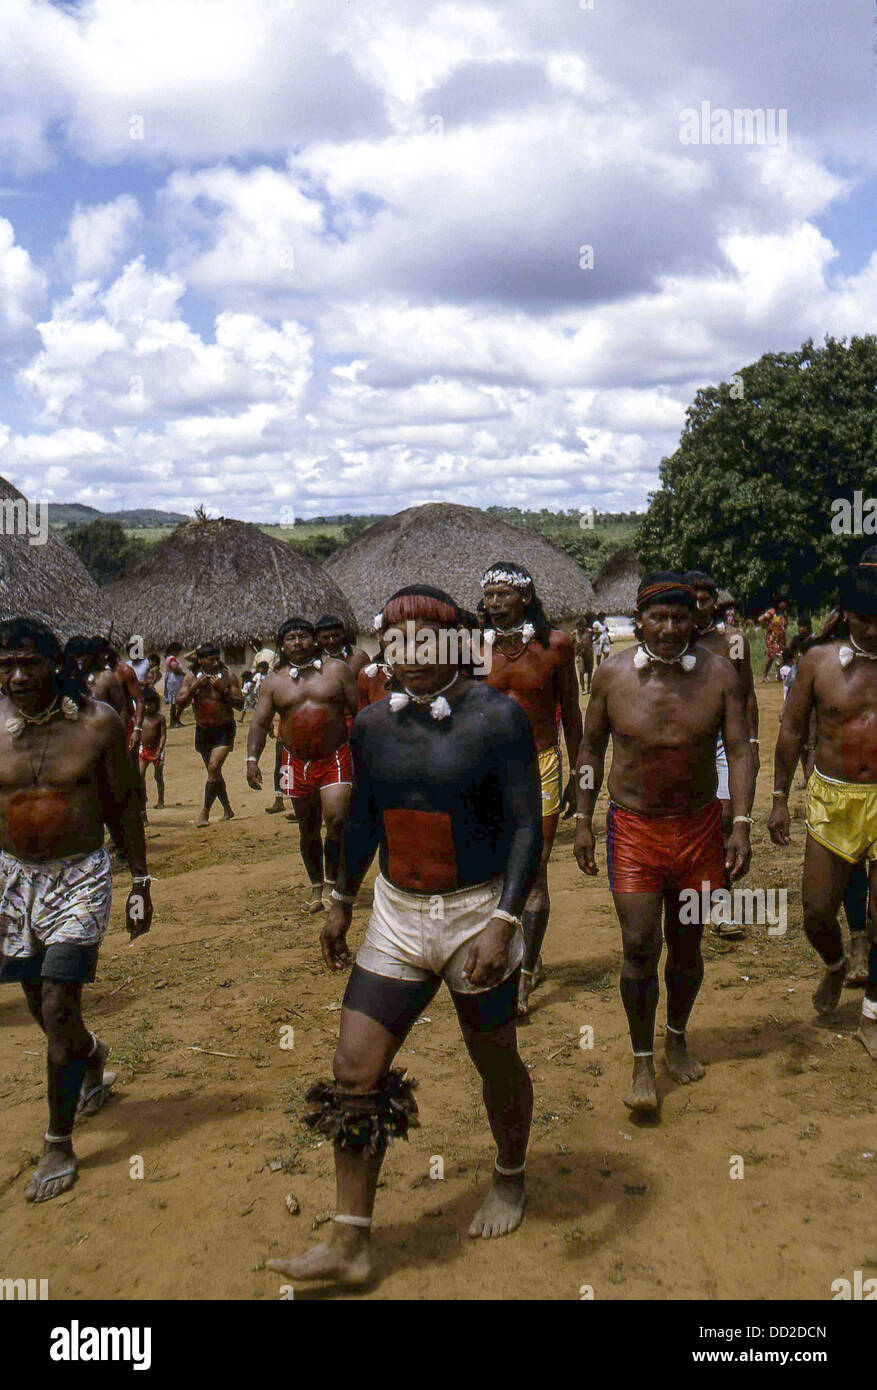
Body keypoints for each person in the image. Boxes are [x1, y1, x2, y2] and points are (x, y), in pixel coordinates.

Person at [266, 586, 542, 1287]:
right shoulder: (370, 726)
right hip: (396, 914)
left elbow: (524, 828)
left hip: (476, 914)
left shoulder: (497, 717)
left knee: (495, 1059)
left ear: (455, 644)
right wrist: (340, 900)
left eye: (425, 640)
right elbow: (362, 819)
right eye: (395, 642)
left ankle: (509, 1175)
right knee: (353, 1074)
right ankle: (350, 1240)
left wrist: (504, 922)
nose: (409, 655)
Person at [574, 573, 755, 1113]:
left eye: (681, 618)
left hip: (699, 827)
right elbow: (589, 750)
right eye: (659, 618)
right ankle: (642, 1059)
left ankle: (676, 1034)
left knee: (688, 943)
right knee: (638, 946)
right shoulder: (611, 676)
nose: (671, 628)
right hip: (633, 829)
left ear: (695, 620)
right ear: (639, 619)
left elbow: (741, 750)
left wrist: (741, 821)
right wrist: (583, 817)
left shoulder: (719, 675)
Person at [0, 617, 152, 1203]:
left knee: (61, 998)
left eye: (28, 662)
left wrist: (140, 879)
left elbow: (125, 804)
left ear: (54, 662)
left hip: (79, 878)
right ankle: (91, 1056)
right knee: (41, 1005)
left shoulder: (96, 723)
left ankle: (58, 1139)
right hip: (12, 880)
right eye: (5, 664)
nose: (17, 675)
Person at [768, 550, 877, 1060]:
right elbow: (790, 731)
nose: (875, 631)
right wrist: (777, 799)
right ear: (847, 616)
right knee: (815, 912)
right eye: (867, 620)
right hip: (833, 798)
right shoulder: (818, 662)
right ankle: (835, 964)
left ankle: (872, 1013)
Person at [481, 561, 581, 1015]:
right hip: (487, 769)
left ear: (526, 597)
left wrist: (582, 771)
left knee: (534, 869)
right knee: (491, 868)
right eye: (490, 594)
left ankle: (525, 972)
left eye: (505, 593)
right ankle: (501, 950)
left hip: (540, 764)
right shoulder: (472, 650)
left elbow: (572, 712)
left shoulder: (555, 645)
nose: (496, 601)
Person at [247, 619, 358, 911]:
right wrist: (251, 759)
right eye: (291, 638)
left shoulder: (337, 671)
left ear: (315, 640)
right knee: (306, 826)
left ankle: (334, 884)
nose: (298, 643)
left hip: (335, 756)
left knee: (335, 819)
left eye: (304, 637)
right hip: (292, 762)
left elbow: (360, 712)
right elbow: (259, 723)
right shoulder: (273, 682)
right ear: (282, 645)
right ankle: (316, 887)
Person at [685, 570, 759, 940]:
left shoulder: (733, 641)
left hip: (724, 740)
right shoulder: (675, 639)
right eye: (692, 598)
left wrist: (753, 743)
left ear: (716, 601)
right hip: (685, 741)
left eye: (706, 598)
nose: (699, 606)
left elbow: (747, 695)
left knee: (726, 817)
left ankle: (720, 904)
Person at [175, 643, 243, 826]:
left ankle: (204, 812)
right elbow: (179, 701)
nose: (216, 662)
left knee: (213, 768)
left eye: (217, 658)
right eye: (211, 659)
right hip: (203, 730)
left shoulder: (228, 676)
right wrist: (195, 687)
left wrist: (224, 690)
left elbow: (240, 704)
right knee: (215, 773)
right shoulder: (191, 678)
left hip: (224, 729)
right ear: (201, 660)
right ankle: (228, 809)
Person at [138, 687, 166, 817]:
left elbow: (163, 735)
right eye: (145, 704)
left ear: (156, 704)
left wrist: (159, 750)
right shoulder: (141, 718)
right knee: (140, 774)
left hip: (157, 750)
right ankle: (143, 797)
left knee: (158, 776)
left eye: (150, 704)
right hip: (144, 749)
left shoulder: (160, 718)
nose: (148, 707)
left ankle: (161, 799)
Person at [758, 597, 788, 682]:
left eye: (785, 602)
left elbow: (784, 625)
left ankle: (779, 675)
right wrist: (769, 627)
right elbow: (761, 619)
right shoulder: (772, 612)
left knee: (782, 655)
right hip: (772, 637)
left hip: (781, 638)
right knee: (772, 656)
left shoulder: (783, 613)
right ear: (778, 603)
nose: (784, 604)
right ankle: (765, 675)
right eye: (782, 602)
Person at [163, 645, 184, 727]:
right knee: (174, 701)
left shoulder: (170, 658)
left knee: (174, 701)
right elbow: (176, 670)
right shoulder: (172, 659)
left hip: (173, 680)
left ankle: (175, 720)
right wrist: (185, 674)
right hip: (174, 681)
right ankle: (173, 721)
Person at [572, 618, 594, 694]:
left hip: (589, 654)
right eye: (579, 626)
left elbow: (594, 638)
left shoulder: (589, 632)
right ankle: (583, 689)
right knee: (581, 671)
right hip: (579, 655)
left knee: (589, 672)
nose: (580, 627)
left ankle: (588, 687)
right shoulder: (574, 634)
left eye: (582, 625)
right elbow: (571, 643)